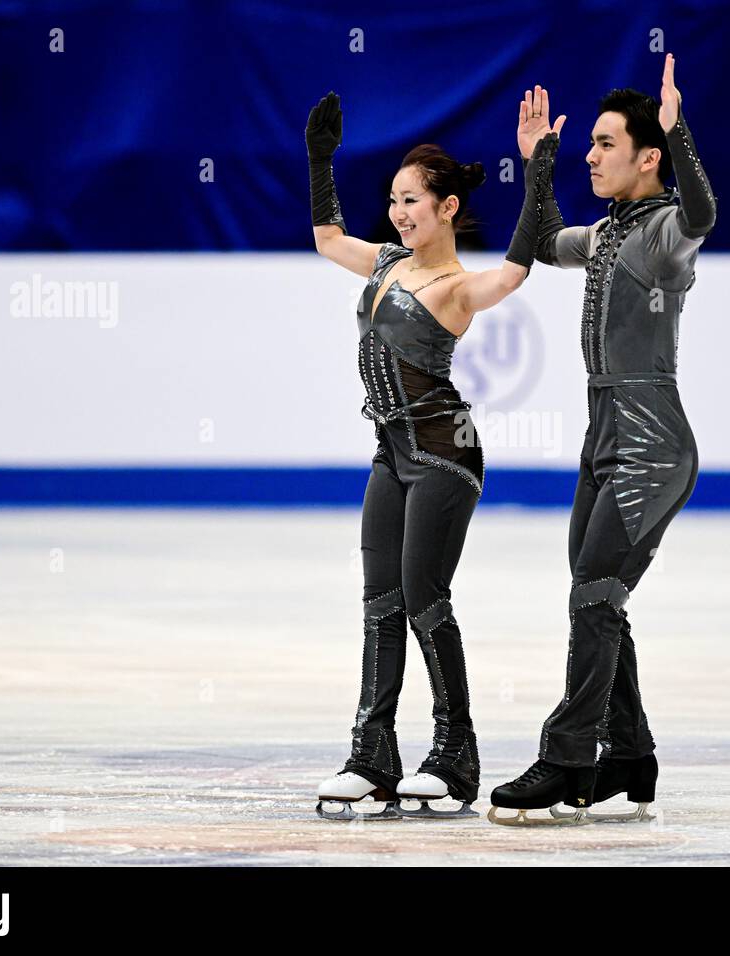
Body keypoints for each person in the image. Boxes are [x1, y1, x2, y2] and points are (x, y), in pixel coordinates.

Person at [306, 91, 559, 819]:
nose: (399, 212)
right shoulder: (385, 262)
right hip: (390, 453)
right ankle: (373, 753)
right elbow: (328, 237)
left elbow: (515, 272)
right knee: (380, 603)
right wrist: (321, 157)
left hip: (446, 456)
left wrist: (536, 172)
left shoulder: (455, 287)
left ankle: (455, 755)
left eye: (413, 200)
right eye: (393, 200)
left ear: (447, 208)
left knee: (424, 600)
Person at [489, 54, 717, 826]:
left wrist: (681, 131)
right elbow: (549, 238)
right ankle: (628, 755)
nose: (591, 154)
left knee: (593, 594)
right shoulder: (609, 233)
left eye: (604, 143)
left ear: (647, 157)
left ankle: (566, 758)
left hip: (651, 446)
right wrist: (537, 167)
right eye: (587, 143)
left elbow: (702, 217)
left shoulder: (662, 237)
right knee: (595, 597)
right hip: (604, 436)